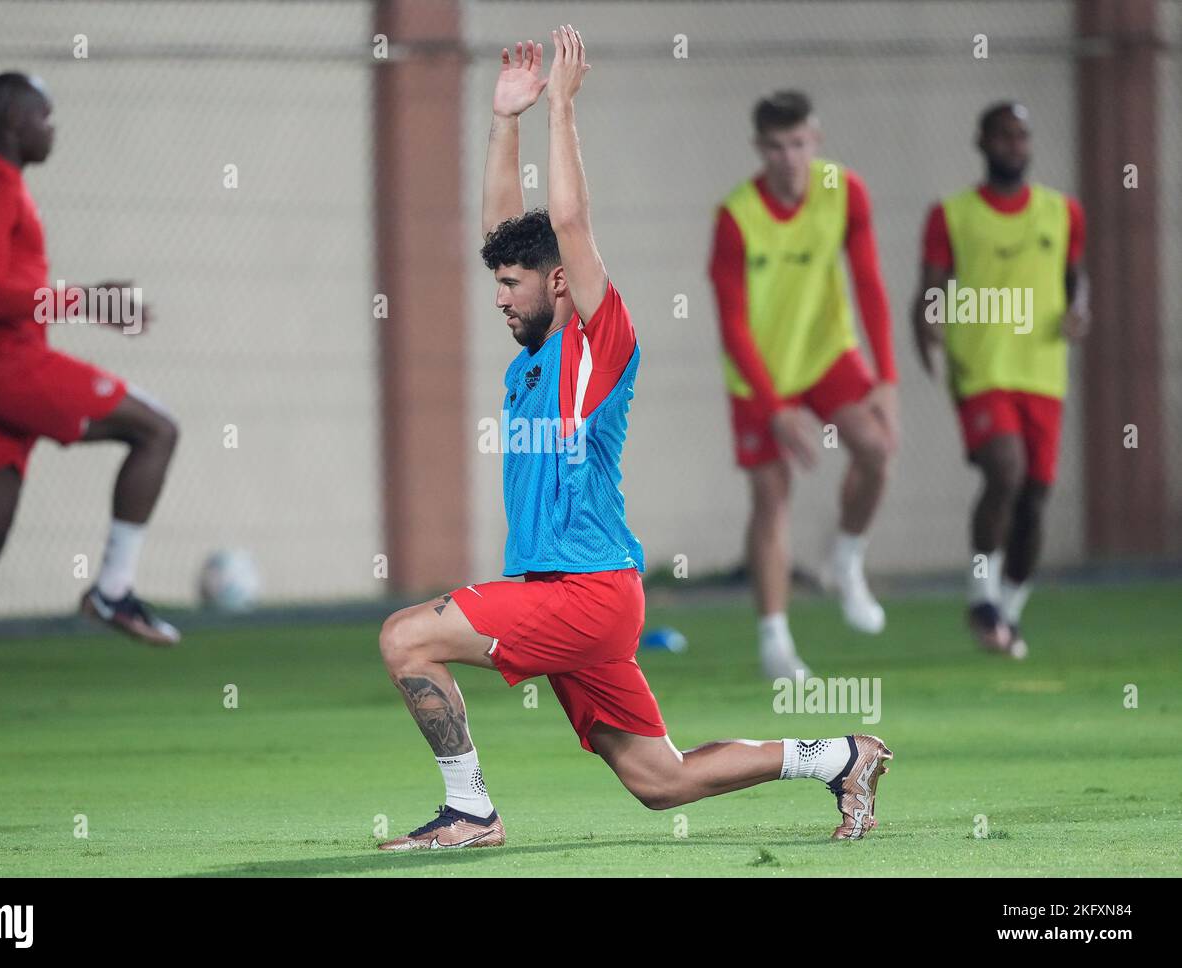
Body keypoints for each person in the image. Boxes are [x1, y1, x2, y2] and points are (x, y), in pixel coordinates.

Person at [375, 29, 891, 850]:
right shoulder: (539, 353)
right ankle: (841, 756)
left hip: (580, 592)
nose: (500, 298)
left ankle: (470, 811)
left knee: (406, 636)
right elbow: (510, 232)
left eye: (514, 286)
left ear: (557, 284)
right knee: (662, 780)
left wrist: (563, 110)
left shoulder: (599, 341)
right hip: (584, 592)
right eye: (498, 286)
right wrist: (504, 119)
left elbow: (569, 221)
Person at [0, 72, 180, 720]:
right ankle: (113, 590)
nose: (52, 128)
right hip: (6, 366)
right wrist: (91, 299)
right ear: (12, 120)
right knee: (158, 429)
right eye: (45, 116)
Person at [708, 90, 898, 680]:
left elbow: (869, 284)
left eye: (798, 144)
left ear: (815, 139)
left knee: (876, 446)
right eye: (775, 147)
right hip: (759, 373)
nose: (789, 158)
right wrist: (775, 409)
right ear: (758, 149)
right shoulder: (736, 217)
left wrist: (887, 377)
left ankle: (845, 558)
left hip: (825, 355)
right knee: (771, 496)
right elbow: (732, 323)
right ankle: (775, 644)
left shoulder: (845, 192)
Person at [912, 102, 1088, 658]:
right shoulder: (952, 214)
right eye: (1004, 135)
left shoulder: (1064, 213)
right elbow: (931, 287)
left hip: (1042, 372)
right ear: (982, 142)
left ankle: (1007, 614)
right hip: (982, 367)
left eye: (1023, 136)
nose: (1015, 144)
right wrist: (929, 324)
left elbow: (1076, 278)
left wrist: (1081, 308)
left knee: (1035, 498)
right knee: (1005, 471)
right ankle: (981, 594)